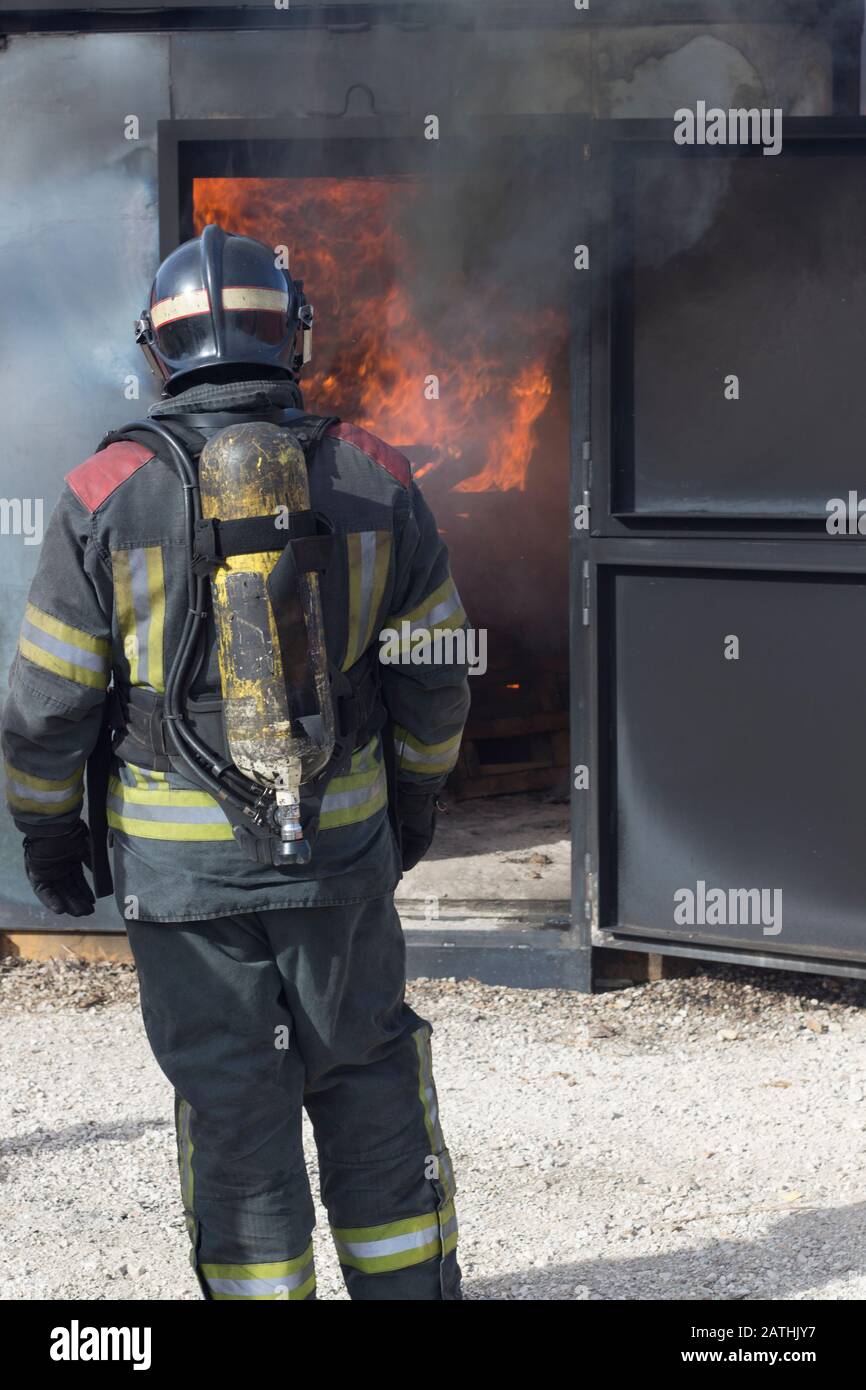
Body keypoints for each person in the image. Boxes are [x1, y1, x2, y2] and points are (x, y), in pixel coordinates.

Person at [2, 224, 470, 1301]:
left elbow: (44, 709)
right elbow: (436, 671)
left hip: (184, 888)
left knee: (232, 1103)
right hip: (341, 857)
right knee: (367, 1077)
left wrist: (49, 834)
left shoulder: (102, 491)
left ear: (157, 352)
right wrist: (412, 796)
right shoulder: (373, 474)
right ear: (289, 336)